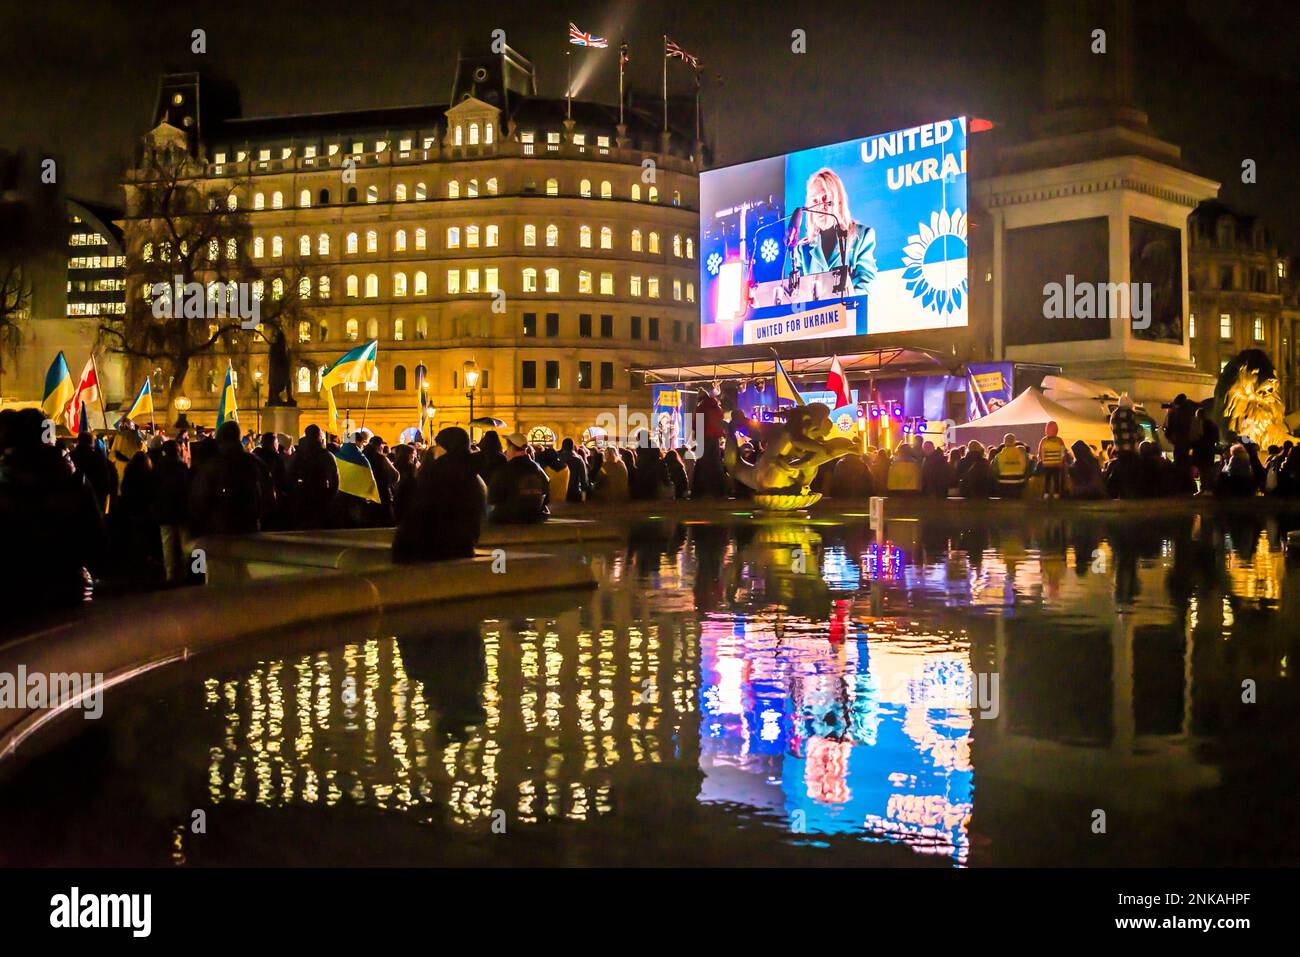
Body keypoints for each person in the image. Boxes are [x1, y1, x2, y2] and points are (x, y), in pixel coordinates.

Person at [0, 408, 108, 622]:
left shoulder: (6, 481)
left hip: (14, 592)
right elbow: (98, 539)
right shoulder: (74, 479)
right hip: (67, 591)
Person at [393, 427, 486, 562]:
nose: (435, 450)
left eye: (438, 445)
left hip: (432, 553)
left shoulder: (437, 474)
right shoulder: (473, 475)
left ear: (446, 448)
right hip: (463, 550)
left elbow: (421, 515)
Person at [788, 167, 877, 295]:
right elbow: (798, 297)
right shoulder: (802, 249)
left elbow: (865, 286)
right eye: (815, 201)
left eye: (825, 199)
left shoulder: (862, 237)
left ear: (839, 202)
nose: (820, 206)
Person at [189, 421, 269, 536]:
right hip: (250, 527)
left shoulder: (214, 466)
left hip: (220, 529)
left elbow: (199, 500)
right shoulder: (255, 462)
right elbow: (268, 494)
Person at [487, 432, 551, 524]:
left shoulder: (503, 471)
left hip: (510, 517)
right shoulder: (537, 469)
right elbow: (547, 496)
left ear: (512, 448)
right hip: (535, 515)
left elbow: (492, 498)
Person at [286, 424, 339, 529]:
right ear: (319, 436)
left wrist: (294, 492)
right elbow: (334, 480)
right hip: (321, 496)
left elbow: (289, 475)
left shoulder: (299, 455)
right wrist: (330, 498)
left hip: (302, 496)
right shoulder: (326, 456)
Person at [152, 439, 190, 583]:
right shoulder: (182, 467)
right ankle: (188, 572)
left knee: (168, 545)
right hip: (181, 511)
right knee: (185, 544)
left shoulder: (158, 468)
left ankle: (171, 575)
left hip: (165, 512)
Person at [70, 430, 116, 513]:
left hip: (73, 503)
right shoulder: (101, 460)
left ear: (78, 441)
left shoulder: (69, 458)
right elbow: (110, 480)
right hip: (96, 502)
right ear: (92, 443)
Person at [1036, 421, 1068, 499]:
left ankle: (1046, 493)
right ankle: (1056, 493)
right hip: (1057, 464)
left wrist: (1041, 460)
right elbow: (1063, 452)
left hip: (1046, 464)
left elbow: (1039, 452)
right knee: (1056, 479)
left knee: (1047, 479)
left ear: (1046, 430)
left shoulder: (1043, 440)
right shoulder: (1059, 440)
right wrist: (1063, 461)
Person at [990, 432, 1029, 497]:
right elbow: (1028, 467)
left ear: (1004, 442)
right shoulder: (1023, 455)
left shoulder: (999, 456)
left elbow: (994, 471)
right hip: (1019, 484)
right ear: (1014, 442)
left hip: (1003, 485)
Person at [558, 438, 590, 503]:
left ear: (563, 446)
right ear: (572, 446)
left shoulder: (558, 458)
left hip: (559, 493)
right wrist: (584, 497)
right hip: (574, 492)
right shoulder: (578, 459)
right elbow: (583, 478)